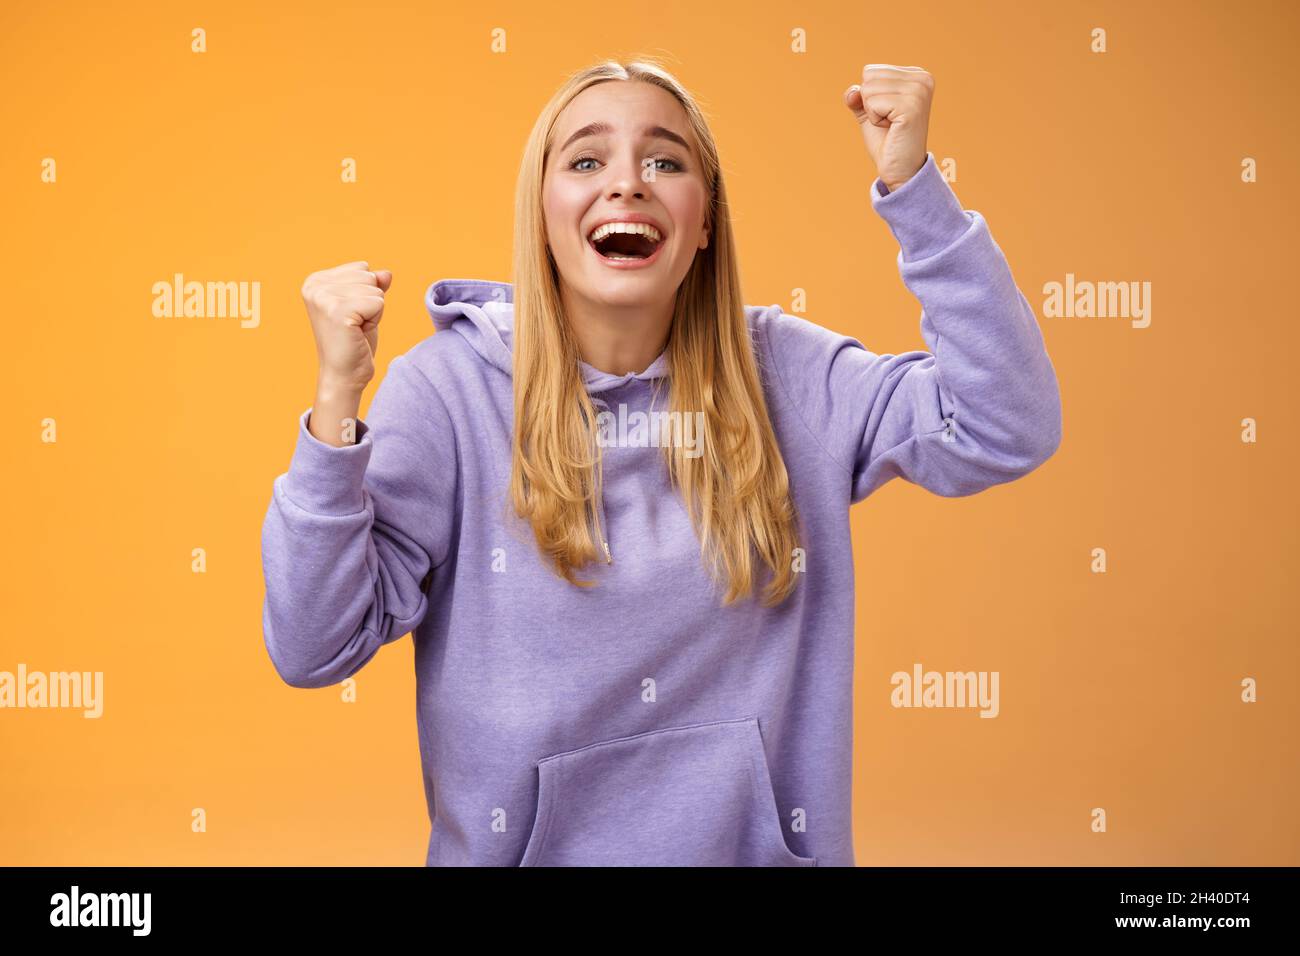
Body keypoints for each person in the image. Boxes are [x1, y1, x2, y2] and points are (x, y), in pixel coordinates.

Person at [260, 57, 1062, 866]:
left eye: (665, 161)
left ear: (704, 220)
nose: (627, 183)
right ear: (541, 214)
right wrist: (336, 401)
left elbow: (1007, 423)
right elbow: (314, 647)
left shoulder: (789, 377)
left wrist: (916, 193)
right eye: (585, 160)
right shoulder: (447, 395)